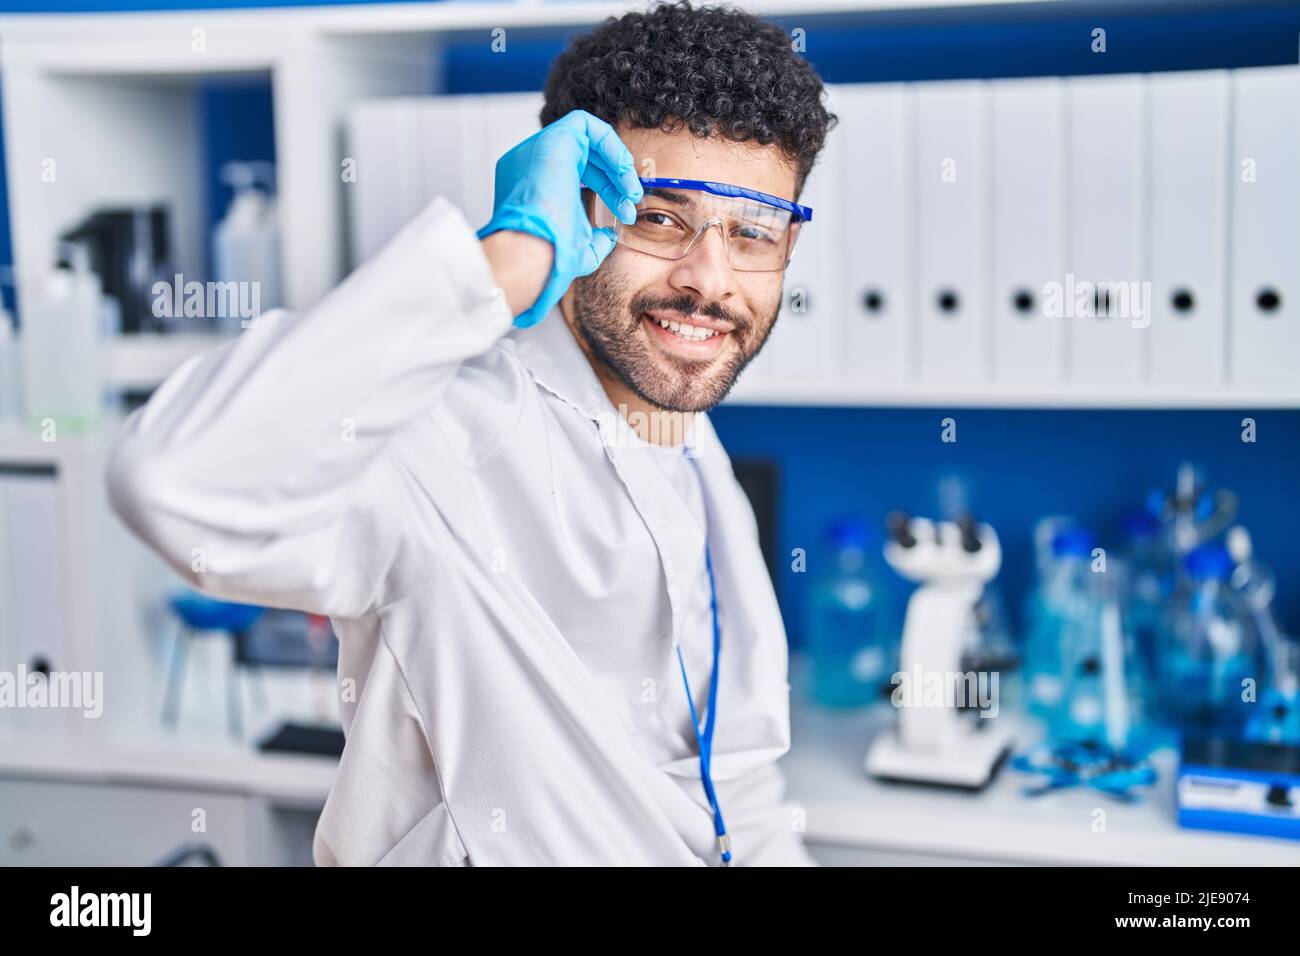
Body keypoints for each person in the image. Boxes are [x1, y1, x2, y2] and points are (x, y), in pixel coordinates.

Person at [107, 1, 834, 866]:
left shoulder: (700, 459)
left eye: (752, 233)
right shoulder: (442, 432)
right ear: (582, 208)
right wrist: (502, 260)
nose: (709, 281)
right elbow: (173, 482)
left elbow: (738, 791)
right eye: (660, 217)